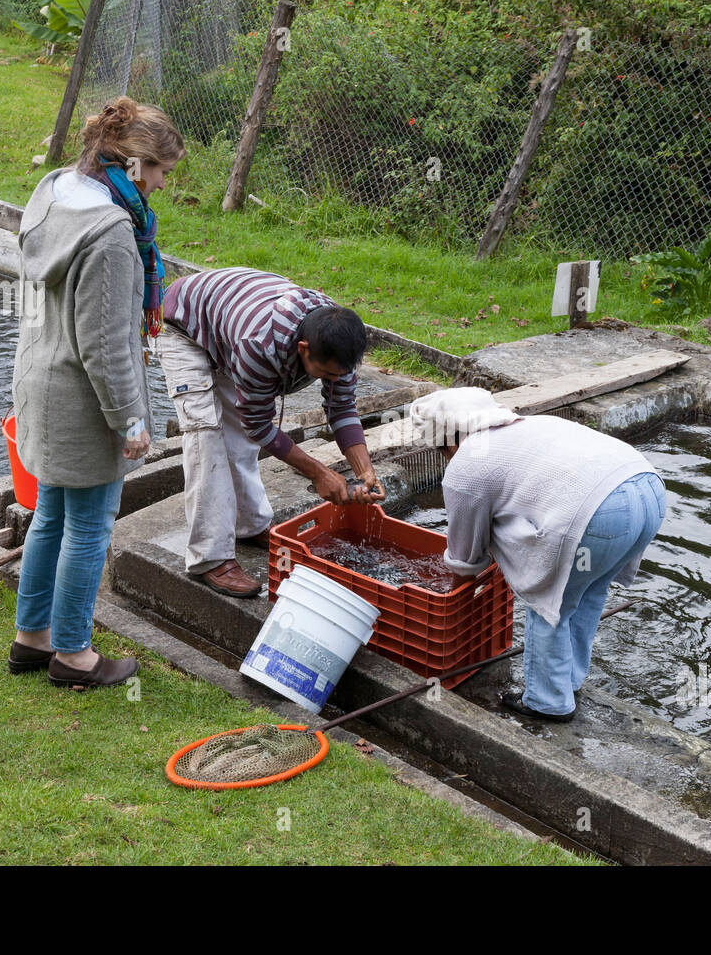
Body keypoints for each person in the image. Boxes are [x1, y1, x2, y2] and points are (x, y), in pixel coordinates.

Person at [7, 97, 184, 688]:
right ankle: (74, 655)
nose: (161, 185)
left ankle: (32, 639)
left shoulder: (56, 189)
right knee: (89, 525)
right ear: (134, 164)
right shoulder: (111, 233)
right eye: (160, 171)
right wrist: (131, 420)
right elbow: (106, 347)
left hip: (39, 377)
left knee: (49, 514)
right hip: (82, 400)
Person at [410, 388, 668, 721]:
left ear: (446, 439)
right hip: (647, 490)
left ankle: (548, 702)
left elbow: (464, 558)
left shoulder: (466, 465)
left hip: (603, 514)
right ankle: (569, 680)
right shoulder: (530, 426)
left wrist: (454, 607)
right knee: (586, 591)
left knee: (547, 602)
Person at [155, 267, 386, 597]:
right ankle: (210, 557)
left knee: (237, 436)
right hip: (185, 325)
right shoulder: (259, 346)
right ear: (303, 349)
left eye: (340, 375)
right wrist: (320, 473)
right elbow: (259, 426)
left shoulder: (339, 345)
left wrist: (365, 471)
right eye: (326, 374)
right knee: (206, 436)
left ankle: (249, 526)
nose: (334, 380)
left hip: (228, 320)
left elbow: (342, 409)